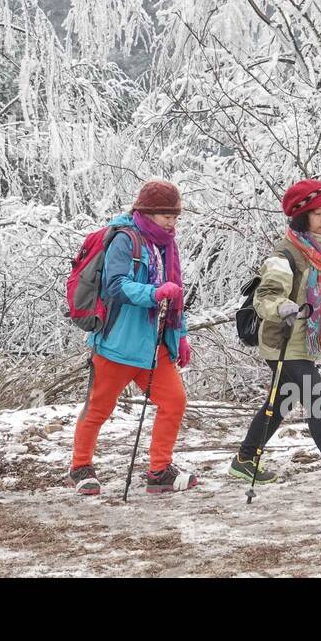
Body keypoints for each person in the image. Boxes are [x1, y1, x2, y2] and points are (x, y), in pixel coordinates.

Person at [229, 179, 321, 491]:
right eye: (316, 213)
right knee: (317, 396)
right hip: (283, 341)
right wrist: (284, 307)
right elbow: (265, 297)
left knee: (282, 401)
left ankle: (245, 459)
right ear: (301, 217)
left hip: (305, 342)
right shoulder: (286, 253)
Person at [68, 179, 197, 496]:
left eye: (175, 216)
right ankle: (80, 466)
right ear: (146, 212)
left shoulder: (165, 244)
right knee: (98, 408)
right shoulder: (126, 239)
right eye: (166, 215)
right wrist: (154, 293)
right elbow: (115, 285)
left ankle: (159, 470)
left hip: (154, 347)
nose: (171, 221)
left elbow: (174, 296)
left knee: (174, 401)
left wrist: (179, 335)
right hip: (117, 346)